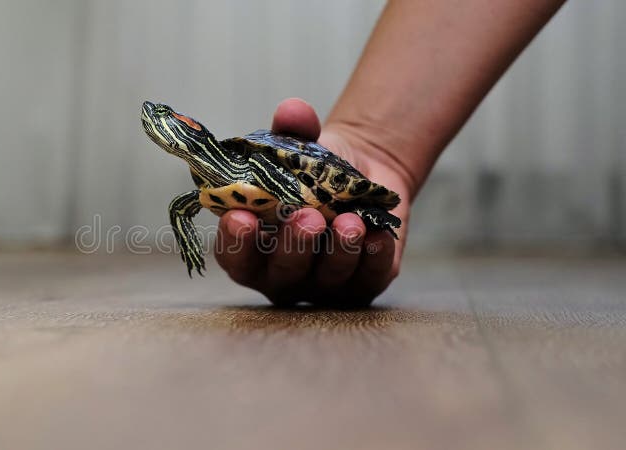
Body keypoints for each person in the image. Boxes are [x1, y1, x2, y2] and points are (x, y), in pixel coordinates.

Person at [214, 0, 566, 306]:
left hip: (318, 185)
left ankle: (371, 213)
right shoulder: (219, 174)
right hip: (301, 199)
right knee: (319, 229)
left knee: (349, 223)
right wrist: (371, 143)